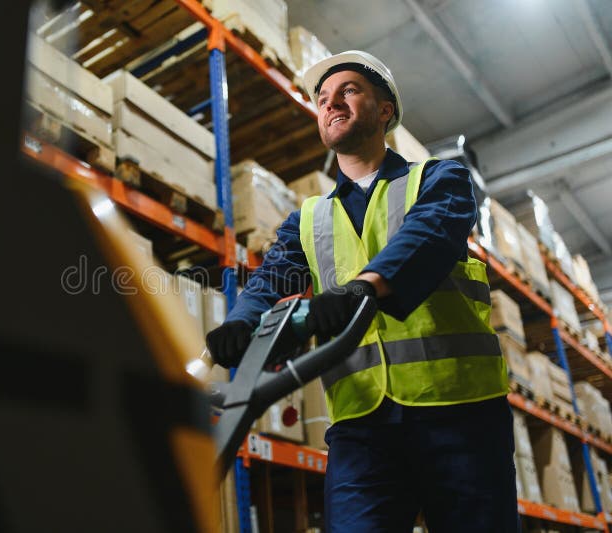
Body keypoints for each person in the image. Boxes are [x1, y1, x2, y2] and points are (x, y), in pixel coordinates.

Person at [205, 51, 519, 532]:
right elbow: (271, 280)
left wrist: (362, 289)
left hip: (459, 416)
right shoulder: (307, 220)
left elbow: (429, 235)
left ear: (385, 109)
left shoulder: (437, 179)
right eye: (323, 99)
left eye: (349, 90)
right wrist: (240, 323)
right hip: (361, 426)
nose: (332, 104)